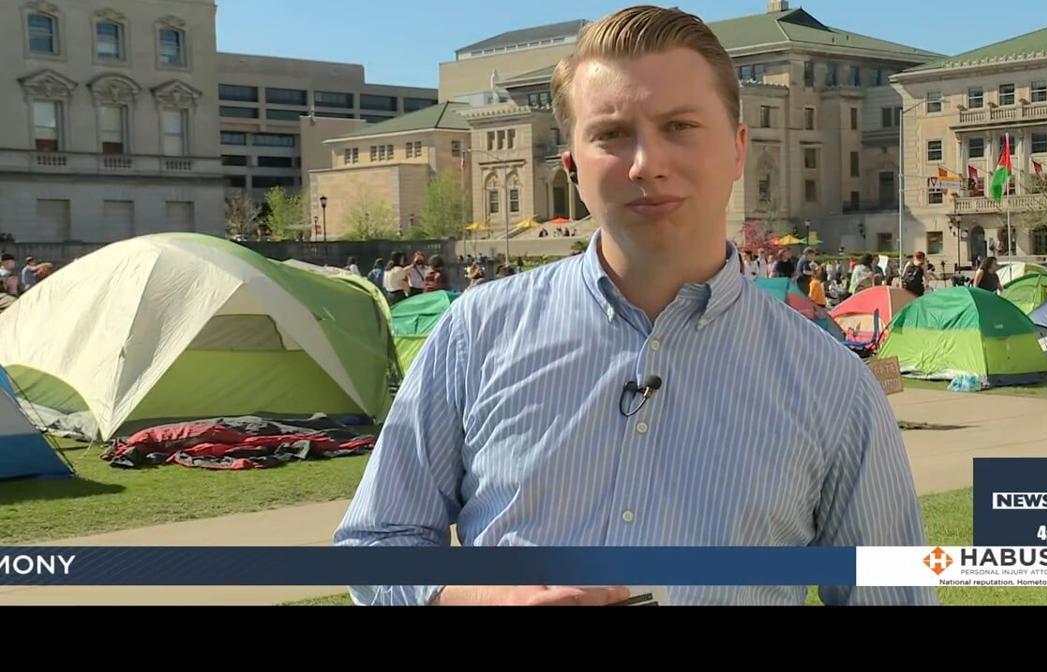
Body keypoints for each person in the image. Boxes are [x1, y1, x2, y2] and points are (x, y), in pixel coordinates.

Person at [335, 5, 933, 607]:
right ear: (572, 165)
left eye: (679, 126)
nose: (648, 164)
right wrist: (481, 600)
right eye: (612, 134)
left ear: (738, 148)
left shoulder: (831, 382)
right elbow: (377, 539)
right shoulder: (478, 333)